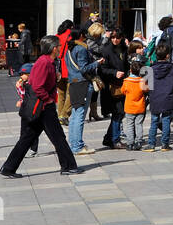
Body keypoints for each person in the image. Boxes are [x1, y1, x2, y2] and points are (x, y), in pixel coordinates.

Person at [0, 36, 84, 178]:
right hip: (43, 107)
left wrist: (55, 78)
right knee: (58, 137)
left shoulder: (48, 62)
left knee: (27, 138)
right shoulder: (44, 62)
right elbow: (37, 86)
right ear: (54, 48)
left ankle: (8, 167)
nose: (60, 48)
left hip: (41, 107)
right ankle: (68, 166)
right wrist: (48, 100)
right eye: (59, 46)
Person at [65, 27, 96, 155]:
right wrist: (97, 63)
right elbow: (84, 69)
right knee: (79, 116)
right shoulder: (81, 49)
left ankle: (74, 144)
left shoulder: (70, 48)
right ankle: (77, 146)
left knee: (75, 115)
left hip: (73, 83)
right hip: (82, 83)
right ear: (82, 35)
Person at [144, 41, 173, 151]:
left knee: (154, 120)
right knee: (166, 120)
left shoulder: (150, 69)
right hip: (168, 97)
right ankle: (165, 144)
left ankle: (151, 144)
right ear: (168, 55)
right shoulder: (172, 68)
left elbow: (147, 84)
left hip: (155, 98)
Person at [97, 28, 129, 148]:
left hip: (122, 84)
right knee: (117, 112)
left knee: (120, 113)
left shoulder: (124, 49)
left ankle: (109, 138)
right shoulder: (106, 50)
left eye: (117, 37)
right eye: (113, 37)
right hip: (111, 86)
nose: (115, 40)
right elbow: (102, 69)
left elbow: (126, 64)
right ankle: (115, 139)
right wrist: (114, 72)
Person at [121, 58, 147, 150]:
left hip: (129, 107)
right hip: (140, 107)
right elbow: (146, 90)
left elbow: (123, 91)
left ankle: (130, 143)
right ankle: (139, 141)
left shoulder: (126, 81)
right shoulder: (142, 81)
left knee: (130, 125)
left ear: (130, 70)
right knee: (139, 124)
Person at [55, 21, 73, 125]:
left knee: (61, 93)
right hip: (68, 68)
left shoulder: (56, 36)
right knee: (70, 93)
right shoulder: (70, 36)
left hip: (58, 69)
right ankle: (64, 115)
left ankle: (59, 115)